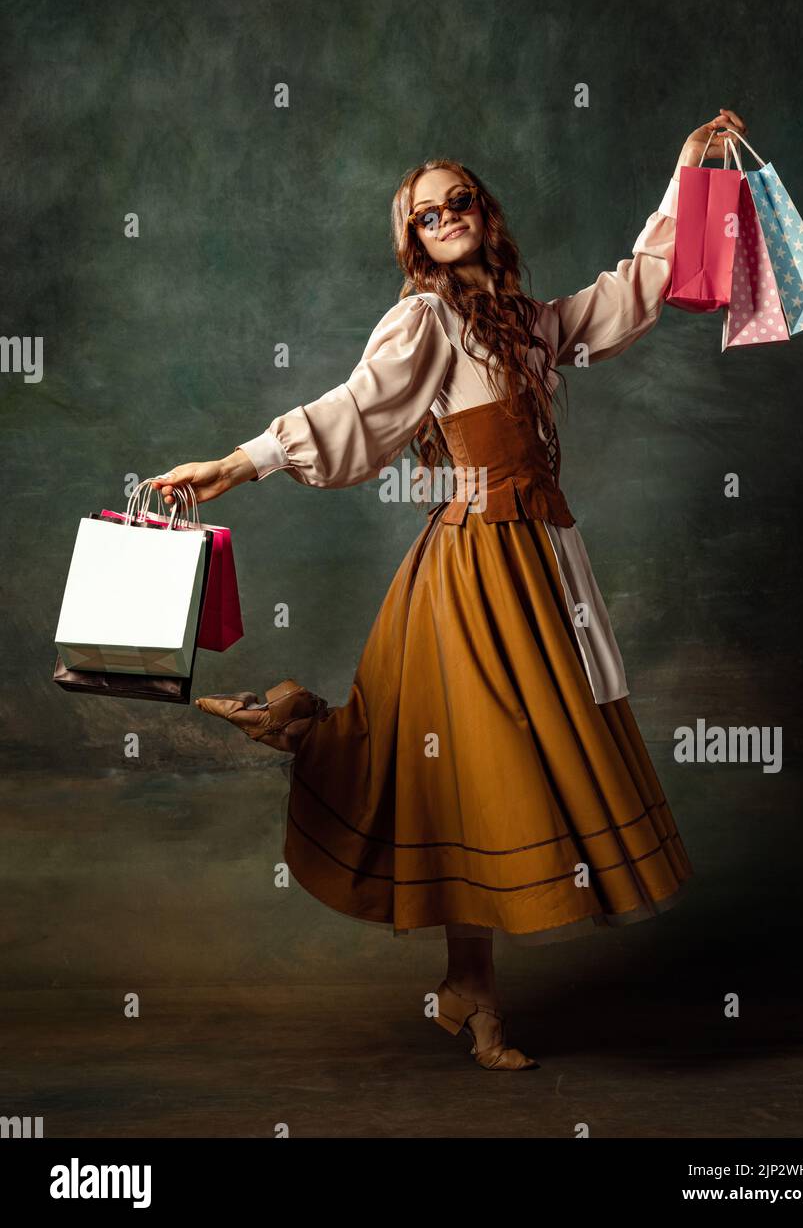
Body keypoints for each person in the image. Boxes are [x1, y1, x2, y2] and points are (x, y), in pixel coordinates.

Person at [152, 108, 747, 1072]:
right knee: (476, 764)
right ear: (412, 242)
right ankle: (309, 732)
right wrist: (237, 462)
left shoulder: (530, 324)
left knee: (484, 779)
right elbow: (355, 411)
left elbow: (638, 286)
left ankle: (466, 984)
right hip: (471, 572)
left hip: (540, 564)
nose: (445, 218)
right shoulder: (425, 319)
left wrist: (692, 172)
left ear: (485, 213)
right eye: (425, 215)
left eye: (457, 201)